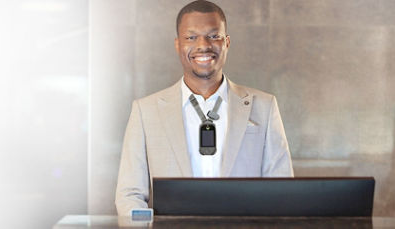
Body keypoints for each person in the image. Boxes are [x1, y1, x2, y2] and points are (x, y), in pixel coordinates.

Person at [115, 0, 293, 216]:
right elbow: (129, 195)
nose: (203, 45)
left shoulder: (264, 107)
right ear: (178, 44)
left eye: (213, 36)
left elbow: (282, 191)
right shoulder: (146, 111)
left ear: (226, 42)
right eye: (191, 37)